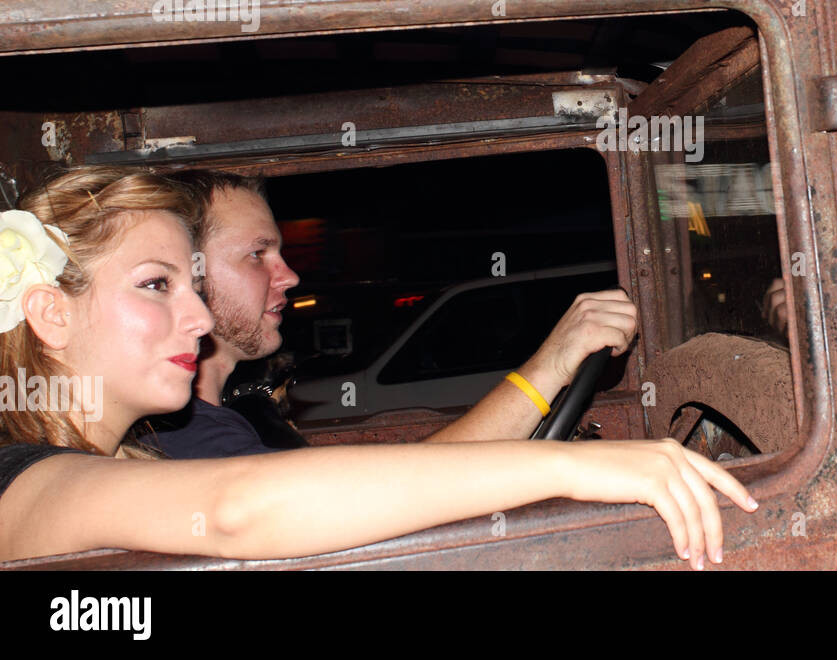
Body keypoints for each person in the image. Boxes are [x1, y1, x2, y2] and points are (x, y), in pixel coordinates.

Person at [0, 166, 756, 566]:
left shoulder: (141, 451)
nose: (195, 320)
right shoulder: (22, 482)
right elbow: (239, 509)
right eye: (156, 286)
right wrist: (576, 472)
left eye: (192, 287)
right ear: (51, 314)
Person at [148, 170, 642, 457]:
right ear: (187, 270)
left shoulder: (227, 417)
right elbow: (403, 494)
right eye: (258, 254)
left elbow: (395, 486)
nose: (290, 275)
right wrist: (551, 364)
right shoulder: (197, 441)